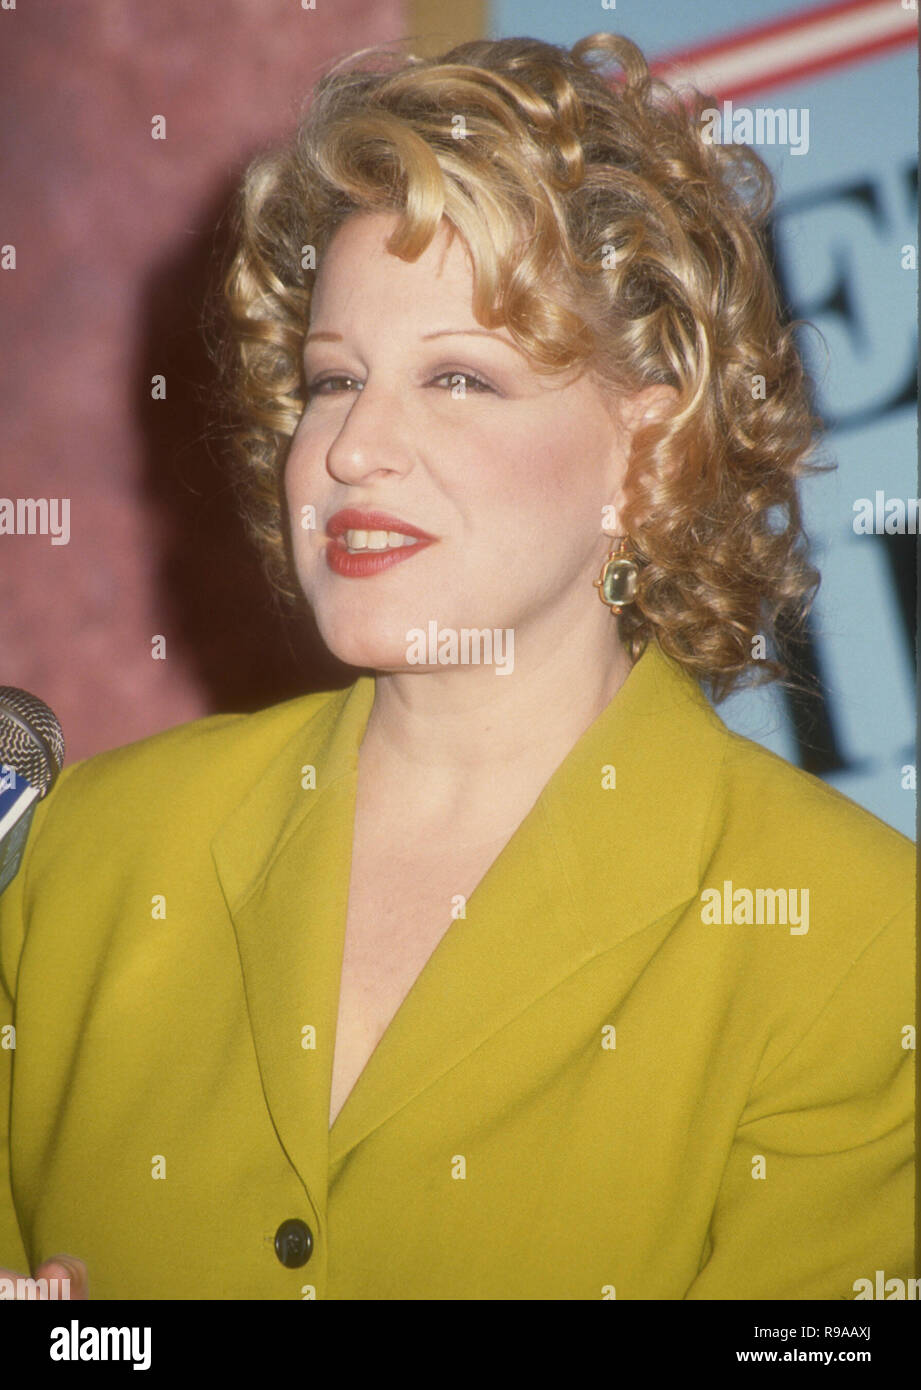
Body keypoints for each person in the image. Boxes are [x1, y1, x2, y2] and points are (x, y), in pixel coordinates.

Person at [0, 31, 914, 1301]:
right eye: (333, 381)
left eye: (459, 378)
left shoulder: (858, 938)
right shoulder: (84, 850)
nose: (355, 448)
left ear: (643, 456)